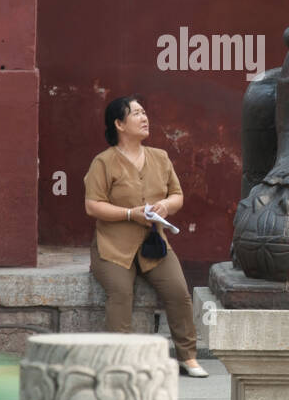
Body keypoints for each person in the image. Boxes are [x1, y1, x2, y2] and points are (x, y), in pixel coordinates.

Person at [84, 95, 207, 377]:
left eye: (144, 112)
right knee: (120, 293)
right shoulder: (103, 162)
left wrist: (166, 205)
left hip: (154, 244)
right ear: (119, 124)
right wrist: (130, 214)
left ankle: (188, 357)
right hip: (112, 246)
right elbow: (92, 205)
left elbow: (177, 195)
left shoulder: (160, 157)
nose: (144, 117)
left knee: (178, 292)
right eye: (136, 113)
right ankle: (119, 361)